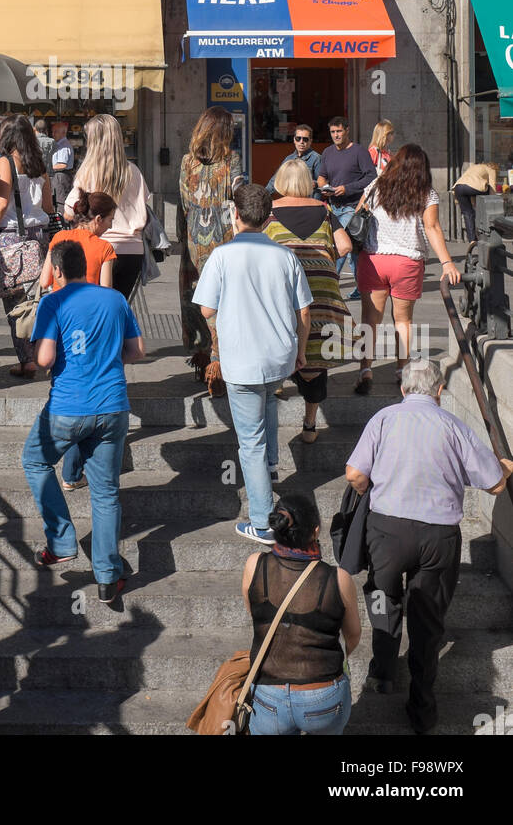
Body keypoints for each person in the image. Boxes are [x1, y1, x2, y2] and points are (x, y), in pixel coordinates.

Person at [346, 359, 512, 734]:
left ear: (403, 389)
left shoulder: (384, 419)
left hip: (387, 531)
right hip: (438, 536)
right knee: (428, 622)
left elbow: (355, 475)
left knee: (383, 598)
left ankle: (384, 671)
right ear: (439, 390)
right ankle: (422, 710)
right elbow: (495, 485)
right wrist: (505, 467)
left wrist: (372, 495)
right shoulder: (454, 425)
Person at [23, 239, 145, 602]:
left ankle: (61, 540)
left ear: (57, 271)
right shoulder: (115, 300)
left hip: (67, 407)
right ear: (87, 268)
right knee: (106, 493)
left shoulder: (53, 302)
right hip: (113, 405)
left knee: (35, 459)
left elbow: (44, 359)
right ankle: (107, 577)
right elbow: (137, 351)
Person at [193, 183, 313, 545]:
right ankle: (272, 467)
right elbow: (303, 311)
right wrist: (301, 351)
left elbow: (206, 309)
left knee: (251, 442)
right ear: (268, 218)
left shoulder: (222, 255)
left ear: (235, 215)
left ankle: (262, 521)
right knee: (270, 402)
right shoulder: (285, 256)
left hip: (243, 357)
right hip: (279, 354)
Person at [242, 492, 361, 737]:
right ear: (315, 532)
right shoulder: (339, 579)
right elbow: (353, 636)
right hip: (323, 697)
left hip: (268, 695)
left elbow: (254, 614)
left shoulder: (255, 565)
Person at [354, 144, 461, 395]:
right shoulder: (427, 194)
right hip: (407, 263)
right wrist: (447, 262)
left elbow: (360, 213)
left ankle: (365, 370)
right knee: (403, 320)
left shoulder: (376, 187)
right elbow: (432, 227)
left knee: (370, 320)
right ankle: (402, 371)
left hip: (373, 259)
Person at [263, 158, 352, 443]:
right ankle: (310, 422)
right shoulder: (325, 212)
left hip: (284, 289)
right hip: (321, 287)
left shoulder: (270, 212)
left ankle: (276, 387)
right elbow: (345, 245)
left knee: (279, 338)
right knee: (316, 351)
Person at [41, 188, 118, 493]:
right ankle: (72, 471)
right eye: (110, 220)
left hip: (61, 323)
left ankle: (58, 445)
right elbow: (108, 293)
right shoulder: (105, 248)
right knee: (87, 393)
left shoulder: (59, 239)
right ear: (97, 219)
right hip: (92, 328)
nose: (111, 226)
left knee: (64, 385)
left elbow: (46, 280)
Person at [178, 107, 246, 395]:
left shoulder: (187, 162)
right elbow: (239, 195)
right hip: (224, 241)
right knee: (224, 303)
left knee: (196, 300)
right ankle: (219, 364)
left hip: (195, 240)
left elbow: (183, 202)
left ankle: (204, 358)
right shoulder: (232, 159)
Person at [0, 113, 55, 380]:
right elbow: (48, 206)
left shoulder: (5, 162)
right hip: (39, 237)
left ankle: (27, 361)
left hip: (12, 238)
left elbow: (2, 203)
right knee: (39, 299)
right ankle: (45, 352)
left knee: (15, 303)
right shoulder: (39, 164)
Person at [64, 113, 151, 302]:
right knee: (117, 308)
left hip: (98, 247)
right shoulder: (133, 171)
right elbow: (144, 203)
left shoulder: (87, 172)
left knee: (95, 310)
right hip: (132, 250)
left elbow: (70, 211)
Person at [316, 116, 377, 300]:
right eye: (333, 132)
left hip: (352, 207)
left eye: (339, 131)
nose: (336, 135)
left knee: (340, 246)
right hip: (334, 207)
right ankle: (363, 287)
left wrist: (347, 188)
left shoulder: (359, 151)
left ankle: (329, 286)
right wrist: (323, 187)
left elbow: (371, 177)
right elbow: (322, 175)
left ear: (347, 130)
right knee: (353, 253)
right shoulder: (327, 152)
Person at [265, 125, 322, 196]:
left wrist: (314, 184)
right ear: (294, 140)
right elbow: (276, 179)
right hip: (291, 201)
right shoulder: (289, 159)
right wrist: (264, 195)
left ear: (310, 141)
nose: (301, 142)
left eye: (305, 139)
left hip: (309, 202)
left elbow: (322, 183)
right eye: (298, 138)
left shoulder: (316, 158)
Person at [452, 162, 497, 245]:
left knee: (468, 214)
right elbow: (493, 185)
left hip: (458, 188)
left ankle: (472, 240)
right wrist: (492, 202)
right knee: (488, 188)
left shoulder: (473, 167)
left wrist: (474, 203)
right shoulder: (491, 169)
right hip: (472, 188)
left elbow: (470, 183)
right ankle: (487, 226)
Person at [49, 120, 76, 217]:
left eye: (55, 131)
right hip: (60, 176)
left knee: (60, 202)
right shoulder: (59, 145)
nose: (53, 134)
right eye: (52, 131)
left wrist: (48, 168)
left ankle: (63, 224)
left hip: (61, 176)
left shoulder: (63, 146)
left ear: (63, 132)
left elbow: (62, 164)